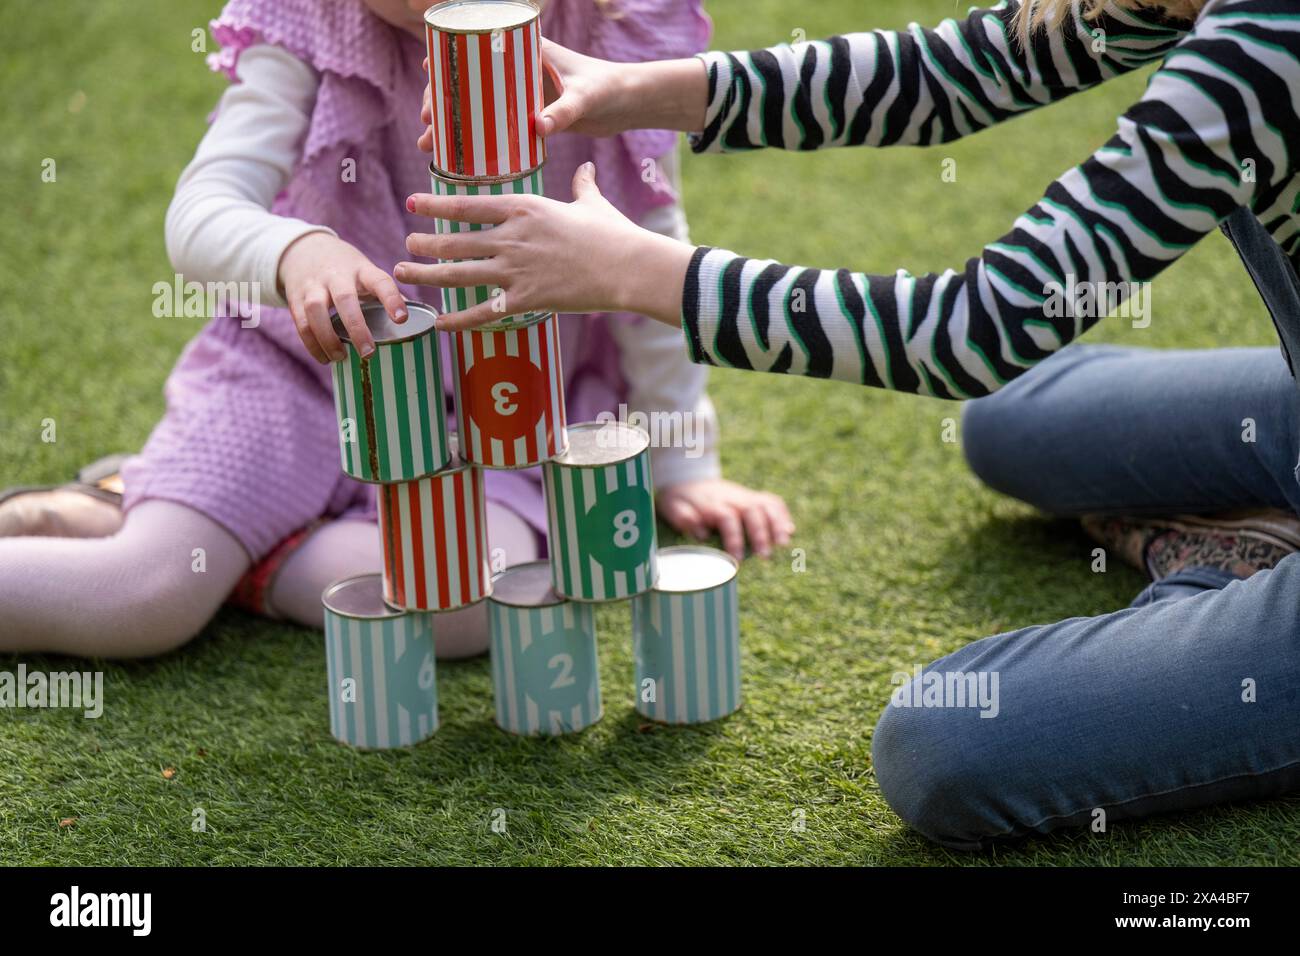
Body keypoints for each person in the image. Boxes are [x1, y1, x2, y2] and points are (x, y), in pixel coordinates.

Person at [402, 0, 1300, 847]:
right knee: (1007, 423)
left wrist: (639, 273)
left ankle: (1237, 590)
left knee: (942, 744)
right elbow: (960, 71)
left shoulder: (1265, 43)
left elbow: (979, 328)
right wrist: (629, 90)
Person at [0, 0, 793, 660]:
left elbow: (647, 240)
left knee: (470, 600)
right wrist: (295, 251)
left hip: (504, 406)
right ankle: (182, 525)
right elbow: (201, 212)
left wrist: (684, 458)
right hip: (303, 378)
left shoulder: (614, 29)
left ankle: (214, 534)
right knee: (145, 599)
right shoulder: (313, 23)